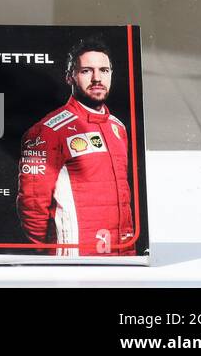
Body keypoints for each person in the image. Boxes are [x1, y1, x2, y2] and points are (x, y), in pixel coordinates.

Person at [17, 38, 136, 257]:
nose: (97, 78)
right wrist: (54, 254)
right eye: (86, 71)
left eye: (104, 70)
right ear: (70, 76)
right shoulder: (48, 131)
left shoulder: (118, 127)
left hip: (121, 253)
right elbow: (32, 205)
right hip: (76, 259)